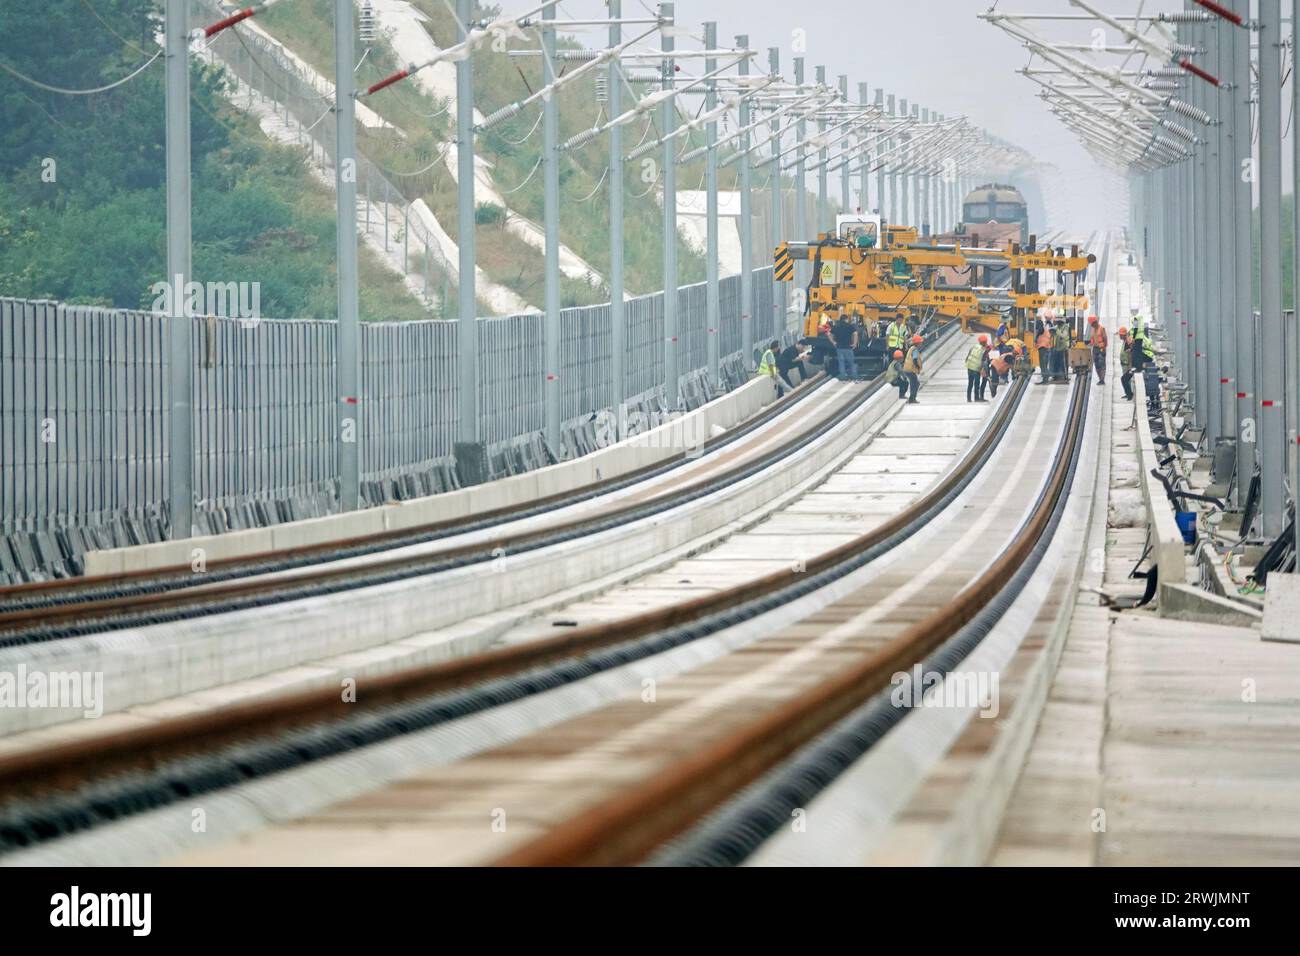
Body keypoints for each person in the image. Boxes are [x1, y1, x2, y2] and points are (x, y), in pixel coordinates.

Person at [831, 312, 859, 381]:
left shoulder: (836, 326)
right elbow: (855, 333)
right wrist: (855, 343)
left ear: (840, 319)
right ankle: (854, 376)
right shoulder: (849, 326)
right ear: (846, 319)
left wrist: (833, 342)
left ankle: (843, 377)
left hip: (839, 348)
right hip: (848, 347)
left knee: (841, 363)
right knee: (851, 363)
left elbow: (829, 334)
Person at [965, 334, 990, 403]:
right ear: (985, 342)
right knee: (976, 383)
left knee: (970, 383)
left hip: (969, 367)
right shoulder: (984, 350)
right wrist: (983, 370)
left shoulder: (974, 346)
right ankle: (976, 398)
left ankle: (969, 398)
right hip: (976, 368)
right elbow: (984, 361)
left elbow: (968, 355)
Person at [902, 334, 923, 403]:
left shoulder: (912, 348)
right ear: (917, 343)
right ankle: (912, 398)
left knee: (914, 383)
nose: (921, 344)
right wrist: (918, 367)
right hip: (910, 370)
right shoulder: (915, 350)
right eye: (920, 342)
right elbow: (915, 359)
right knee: (915, 383)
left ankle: (912, 398)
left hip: (907, 369)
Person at [1087, 315, 1107, 386]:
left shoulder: (1101, 329)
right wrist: (1089, 344)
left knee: (1102, 364)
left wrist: (1104, 348)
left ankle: (1102, 380)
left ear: (1095, 322)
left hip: (1101, 348)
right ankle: (1100, 379)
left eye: (1092, 323)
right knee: (1097, 365)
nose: (1091, 325)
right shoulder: (1093, 329)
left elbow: (1105, 339)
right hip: (1095, 349)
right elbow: (1092, 338)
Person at [1052, 318, 1072, 383]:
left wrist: (1057, 331)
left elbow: (1064, 335)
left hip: (1063, 348)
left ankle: (1065, 377)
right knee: (1056, 363)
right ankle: (1056, 376)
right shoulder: (1057, 326)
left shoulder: (1065, 326)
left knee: (1064, 363)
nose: (1056, 322)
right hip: (1057, 348)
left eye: (1057, 321)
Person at [1117, 327, 1133, 400]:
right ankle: (1127, 394)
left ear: (1124, 335)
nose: (1119, 336)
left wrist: (1130, 365)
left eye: (1120, 335)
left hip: (1128, 364)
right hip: (1124, 363)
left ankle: (1129, 395)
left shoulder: (1128, 341)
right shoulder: (1125, 341)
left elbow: (1131, 353)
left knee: (1125, 379)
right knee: (1126, 379)